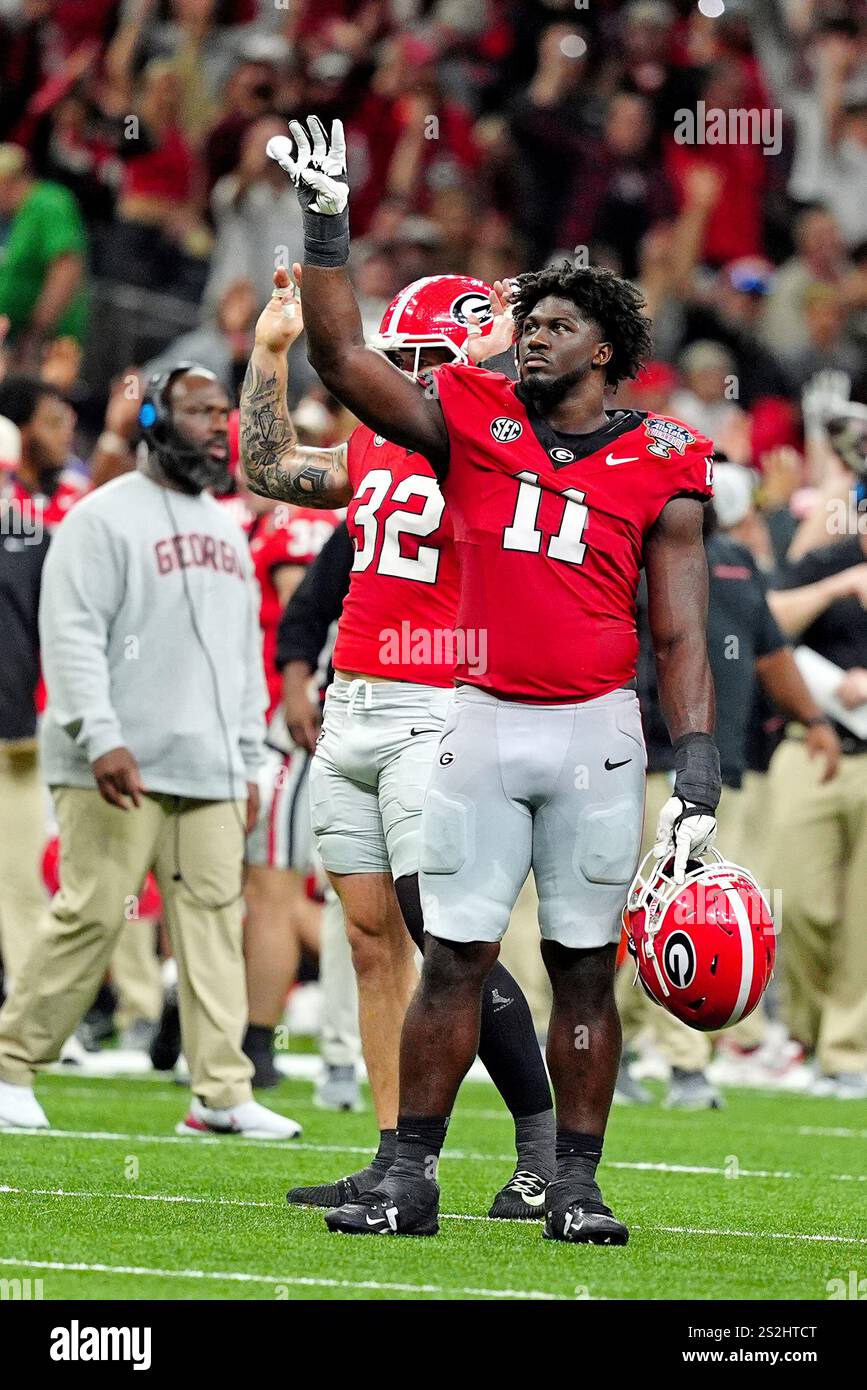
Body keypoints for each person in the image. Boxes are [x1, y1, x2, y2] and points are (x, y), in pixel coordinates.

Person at [257, 116, 723, 1246]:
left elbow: (681, 636)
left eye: (555, 328)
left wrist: (698, 770)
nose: (529, 342)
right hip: (475, 719)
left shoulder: (664, 456)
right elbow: (343, 362)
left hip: (597, 736)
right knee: (450, 954)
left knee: (580, 971)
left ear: (604, 348)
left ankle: (574, 1183)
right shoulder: (471, 416)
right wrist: (328, 227)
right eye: (528, 324)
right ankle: (409, 1175)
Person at [241, 267, 557, 1220]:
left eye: (427, 358)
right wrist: (269, 351)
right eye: (403, 357)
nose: (407, 374)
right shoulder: (378, 440)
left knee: (443, 934)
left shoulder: (499, 443)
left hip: (440, 706)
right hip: (354, 711)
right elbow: (269, 469)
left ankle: (541, 1149)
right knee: (371, 939)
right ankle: (395, 1159)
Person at [0, 363, 298, 1140]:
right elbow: (69, 641)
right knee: (94, 911)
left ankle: (221, 1094)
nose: (215, 426)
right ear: (156, 424)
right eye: (198, 412)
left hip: (208, 766)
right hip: (113, 761)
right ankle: (9, 1067)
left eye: (221, 413)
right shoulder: (99, 518)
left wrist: (248, 758)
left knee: (210, 921)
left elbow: (238, 657)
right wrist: (100, 737)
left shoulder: (225, 528)